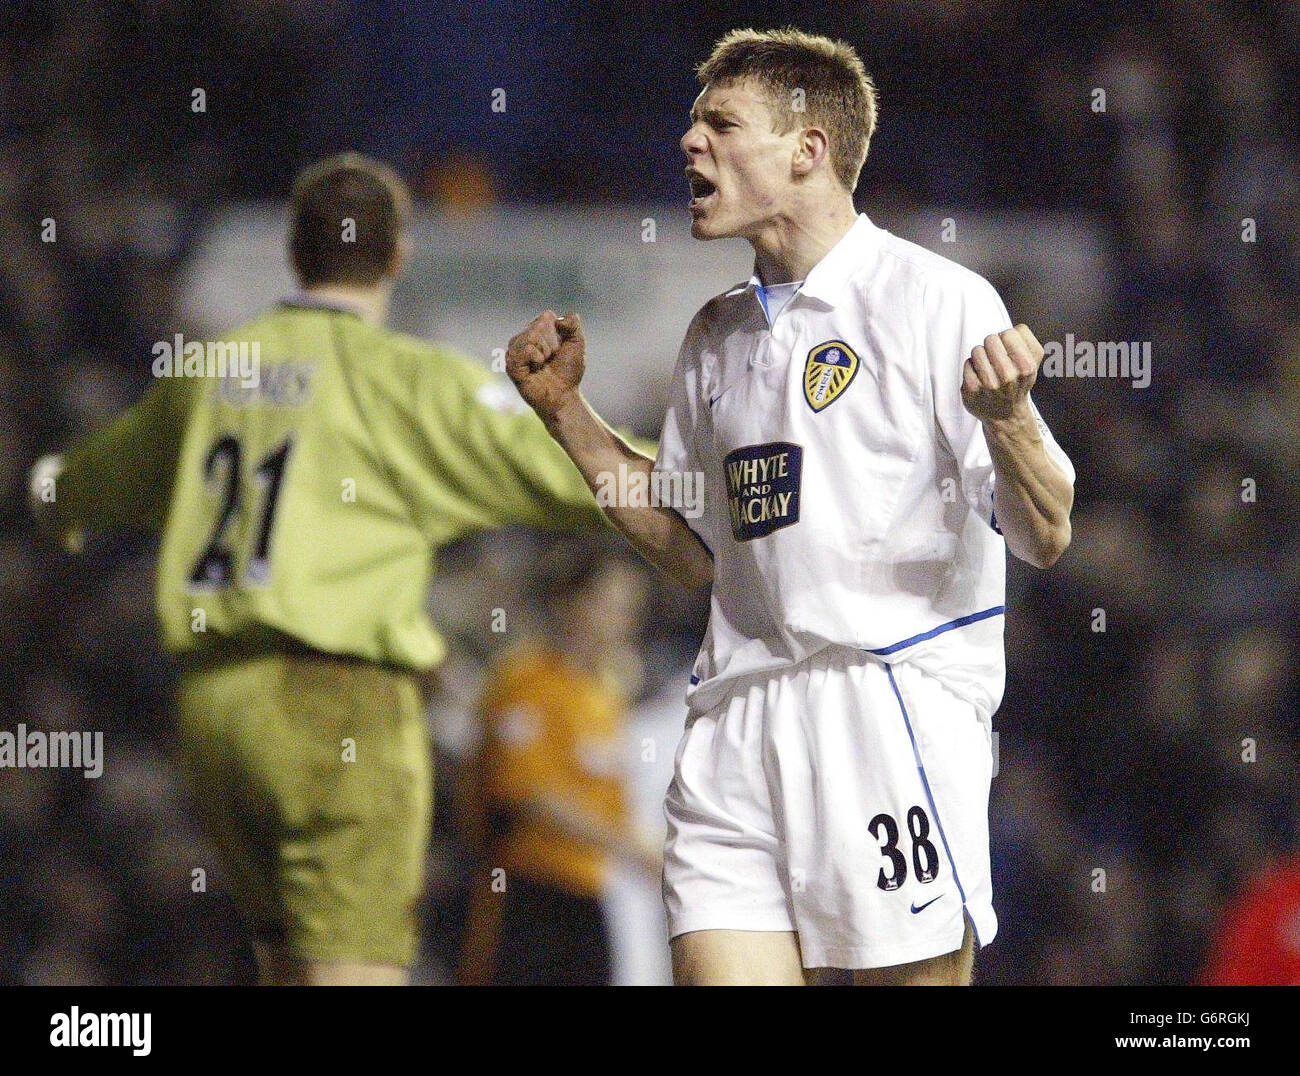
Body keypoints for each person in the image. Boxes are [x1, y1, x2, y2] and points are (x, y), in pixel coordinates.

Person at [506, 28, 1076, 985]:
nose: (690, 143)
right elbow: (693, 553)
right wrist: (567, 414)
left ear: (809, 150)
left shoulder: (935, 300)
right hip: (733, 715)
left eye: (722, 124)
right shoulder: (715, 335)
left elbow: (1050, 529)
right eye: (693, 124)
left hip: (885, 701)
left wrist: (1010, 416)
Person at [29, 152, 608, 985]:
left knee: (289, 971)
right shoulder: (407, 378)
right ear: (398, 255)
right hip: (336, 702)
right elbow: (579, 471)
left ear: (297, 253)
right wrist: (711, 483)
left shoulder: (214, 366)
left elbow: (92, 481)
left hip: (218, 710)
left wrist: (51, 493)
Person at [455, 539, 661, 985]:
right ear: (572, 604)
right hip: (525, 891)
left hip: (588, 894)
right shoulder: (527, 679)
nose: (620, 624)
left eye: (628, 611)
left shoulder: (605, 698)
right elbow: (528, 794)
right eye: (609, 606)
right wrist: (632, 848)